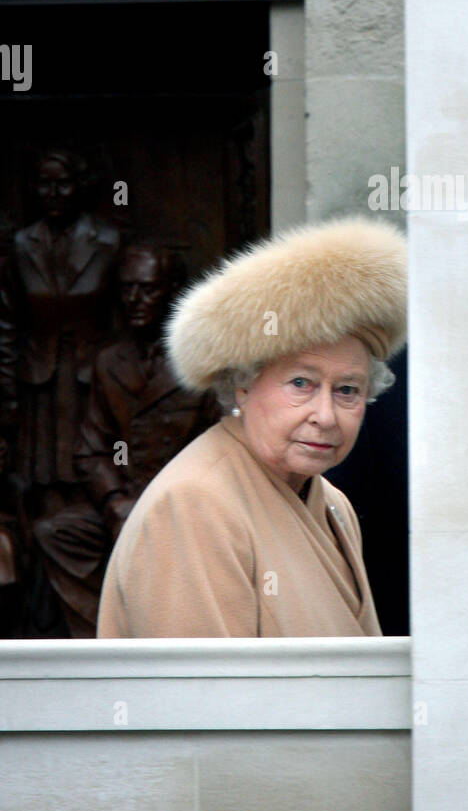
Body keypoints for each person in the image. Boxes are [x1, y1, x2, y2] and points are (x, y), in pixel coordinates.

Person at [96, 215, 407, 638]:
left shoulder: (333, 503)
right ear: (242, 384)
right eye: (301, 383)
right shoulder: (193, 506)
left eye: (348, 390)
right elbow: (204, 697)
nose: (326, 415)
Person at [31, 241, 219, 636]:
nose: (134, 299)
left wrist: (168, 499)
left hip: (184, 503)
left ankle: (150, 635)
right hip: (125, 499)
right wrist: (114, 498)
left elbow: (223, 447)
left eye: (147, 289)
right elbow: (91, 449)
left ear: (173, 292)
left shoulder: (203, 362)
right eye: (127, 288)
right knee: (56, 530)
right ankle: (101, 637)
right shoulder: (108, 360)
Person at [0, 147, 120, 635]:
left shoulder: (108, 242)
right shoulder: (20, 245)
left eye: (63, 183)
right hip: (38, 385)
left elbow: (119, 320)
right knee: (40, 485)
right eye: (43, 184)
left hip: (90, 380)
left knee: (81, 478)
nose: (52, 194)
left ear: (81, 186)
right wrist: (8, 390)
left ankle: (89, 607)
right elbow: (7, 320)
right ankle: (39, 613)